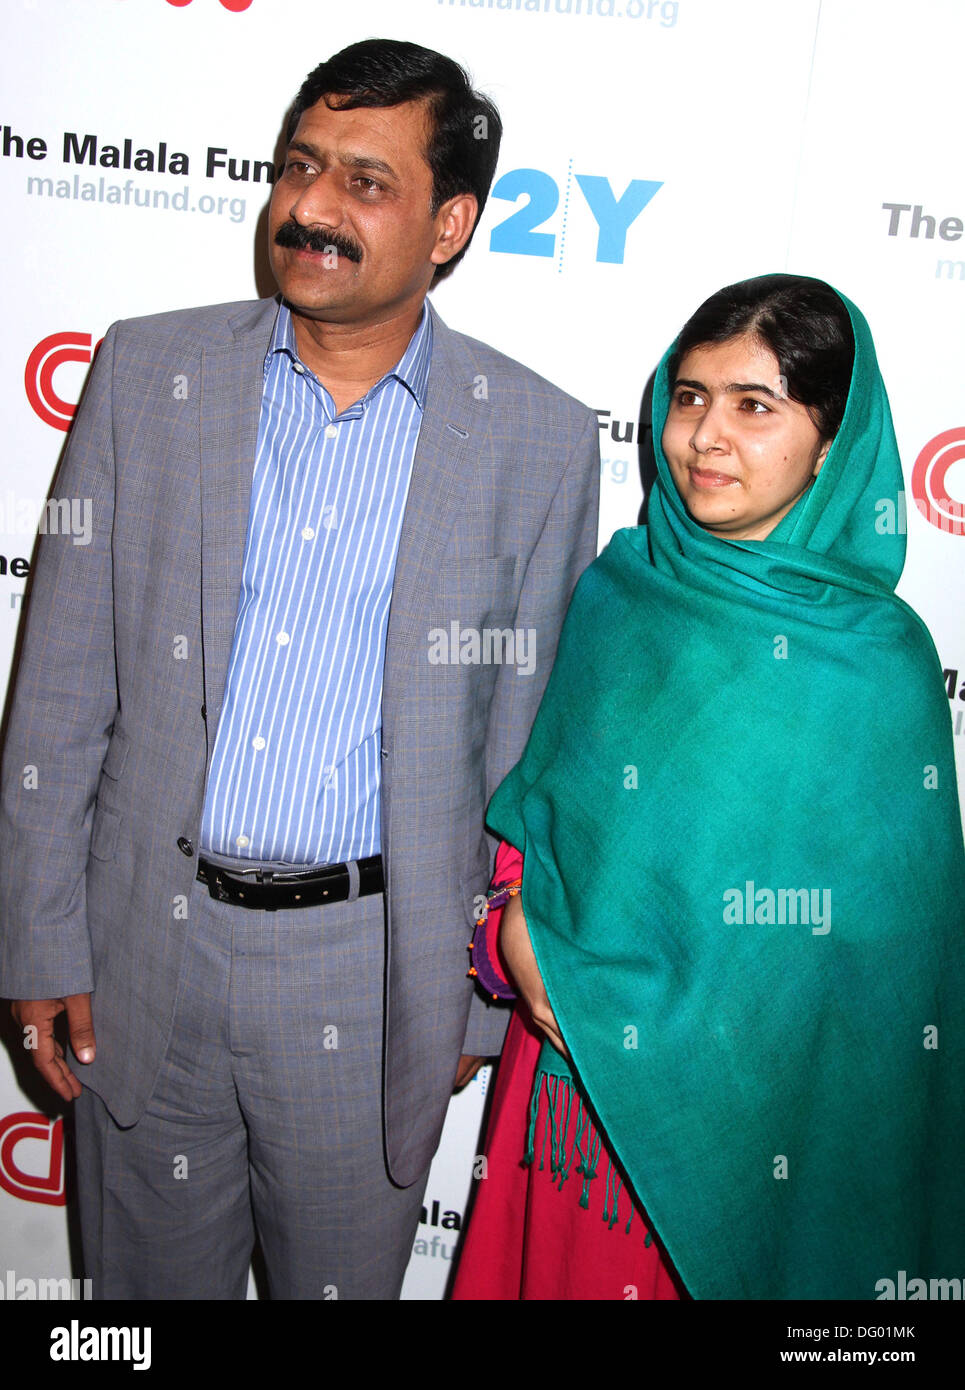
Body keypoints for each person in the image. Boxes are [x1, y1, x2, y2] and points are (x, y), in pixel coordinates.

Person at [0, 39, 600, 1299]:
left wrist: (477, 996)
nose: (310, 208)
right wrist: (39, 935)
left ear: (449, 223)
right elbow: (58, 684)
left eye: (363, 183)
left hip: (375, 975)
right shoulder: (148, 375)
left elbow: (520, 748)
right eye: (298, 168)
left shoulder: (537, 441)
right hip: (140, 952)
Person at [453, 274, 965, 1300]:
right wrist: (510, 927)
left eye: (753, 404)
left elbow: (884, 970)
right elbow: (536, 829)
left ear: (831, 440)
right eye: (687, 397)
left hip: (743, 1133)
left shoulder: (874, 664)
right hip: (568, 1108)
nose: (704, 436)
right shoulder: (618, 591)